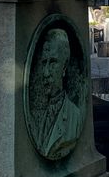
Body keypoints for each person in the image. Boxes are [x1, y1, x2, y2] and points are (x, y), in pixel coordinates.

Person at [29, 28, 83, 160]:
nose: (46, 73)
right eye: (44, 63)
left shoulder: (74, 116)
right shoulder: (35, 114)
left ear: (64, 67)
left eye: (52, 63)